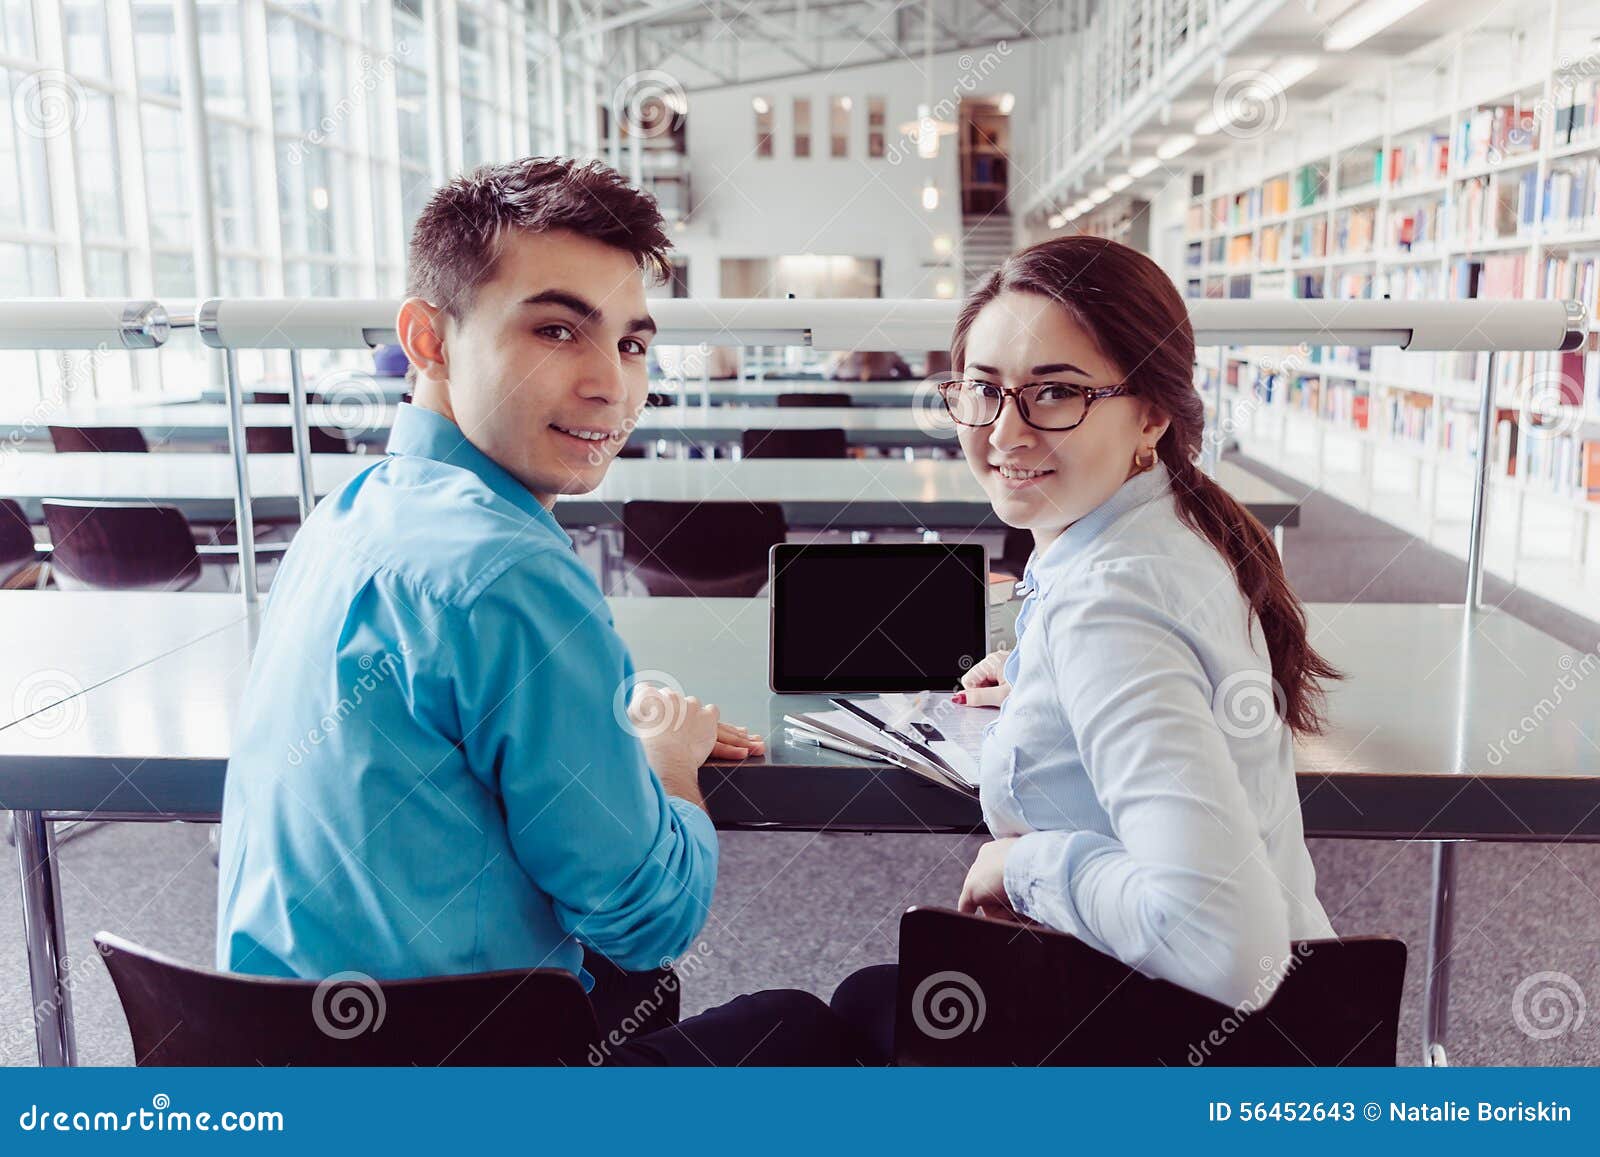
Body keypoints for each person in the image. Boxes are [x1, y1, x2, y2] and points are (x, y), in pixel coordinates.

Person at [216, 157, 862, 1065]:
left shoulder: (345, 513)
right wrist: (669, 769)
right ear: (429, 340)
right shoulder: (510, 571)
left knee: (638, 997)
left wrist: (601, 739)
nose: (612, 384)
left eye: (634, 344)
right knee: (807, 1027)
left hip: (278, 1062)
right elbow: (649, 918)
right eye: (558, 329)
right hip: (457, 1087)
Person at [832, 235, 1340, 1063]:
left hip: (1164, 1044)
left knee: (830, 1017)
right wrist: (1042, 679)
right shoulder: (1168, 526)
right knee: (868, 998)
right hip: (1286, 1023)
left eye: (1056, 394)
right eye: (983, 390)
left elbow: (1223, 947)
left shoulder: (1107, 603)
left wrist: (1026, 861)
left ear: (1152, 410)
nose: (1005, 433)